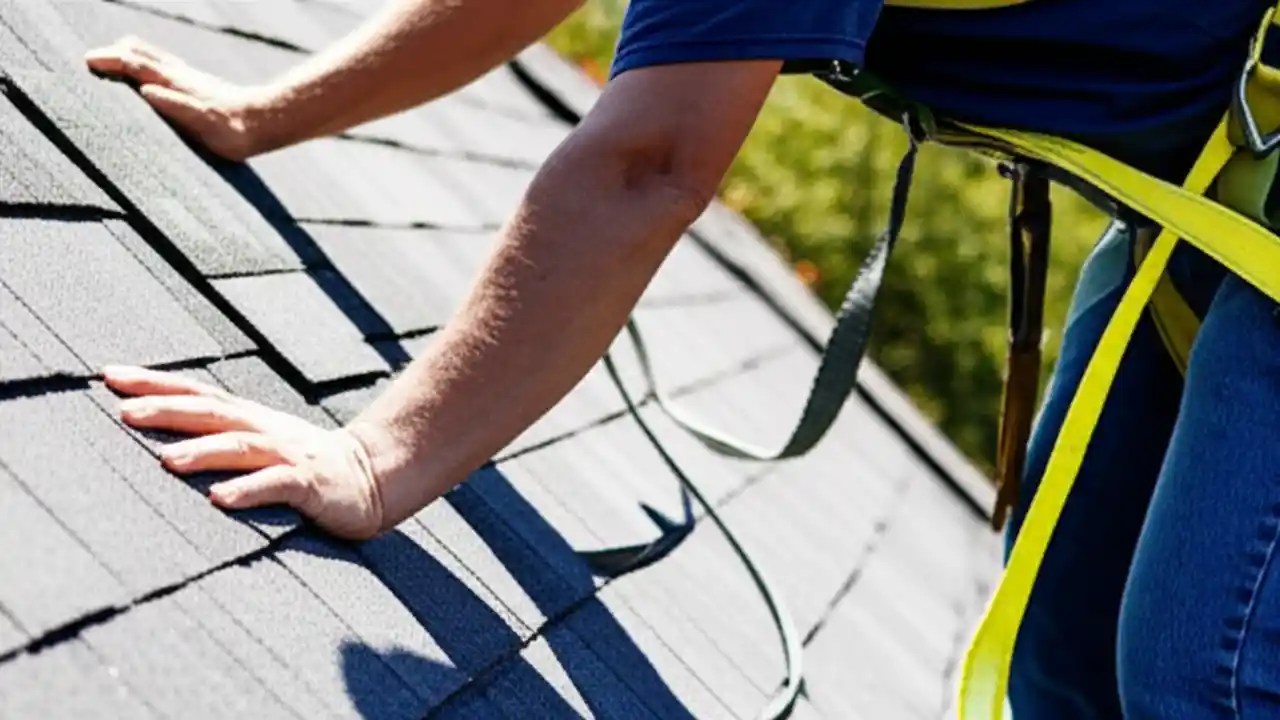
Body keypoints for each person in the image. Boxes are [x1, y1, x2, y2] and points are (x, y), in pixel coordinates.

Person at [86, 0, 1279, 716]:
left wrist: (377, 459)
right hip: (1223, 199)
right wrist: (268, 113)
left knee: (1200, 680)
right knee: (1061, 660)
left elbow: (649, 164)